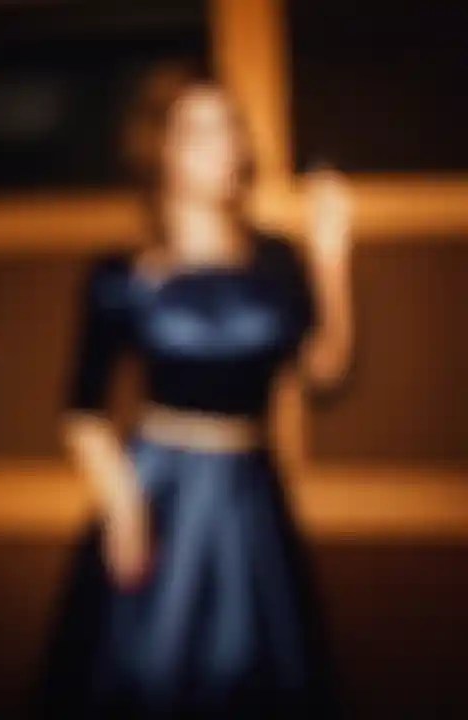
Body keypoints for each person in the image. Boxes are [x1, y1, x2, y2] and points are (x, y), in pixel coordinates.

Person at [37, 65, 354, 719]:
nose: (219, 144)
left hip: (248, 492)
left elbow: (325, 374)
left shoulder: (275, 260)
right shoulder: (122, 273)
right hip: (160, 486)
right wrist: (123, 508)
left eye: (227, 128)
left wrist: (332, 258)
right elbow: (84, 411)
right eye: (197, 130)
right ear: (161, 150)